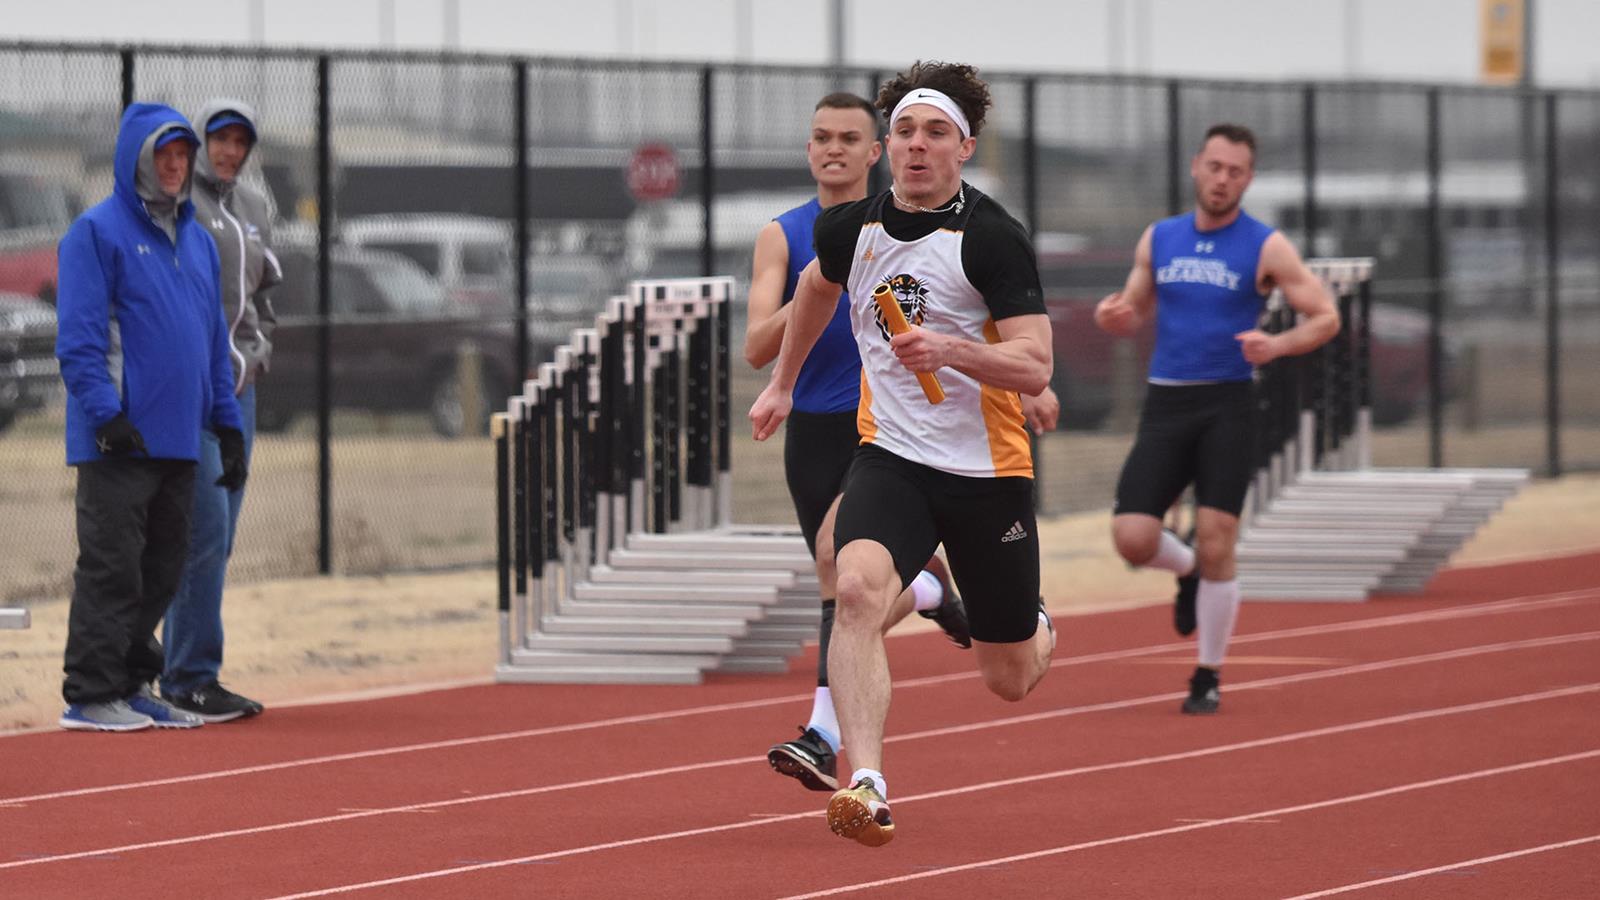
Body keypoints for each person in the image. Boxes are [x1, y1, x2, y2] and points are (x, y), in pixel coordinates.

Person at [749, 61, 1057, 847]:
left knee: (1009, 677)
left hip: (988, 471)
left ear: (966, 148)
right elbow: (818, 290)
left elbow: (1035, 366)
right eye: (907, 133)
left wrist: (952, 350)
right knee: (852, 587)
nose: (918, 148)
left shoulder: (992, 239)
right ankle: (867, 782)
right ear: (889, 146)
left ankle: (1029, 620)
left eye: (937, 134)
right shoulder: (851, 227)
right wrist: (782, 384)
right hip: (892, 456)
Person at [743, 92, 976, 795]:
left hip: (884, 424)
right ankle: (929, 588)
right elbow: (757, 346)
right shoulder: (784, 236)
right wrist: (827, 277)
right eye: (821, 137)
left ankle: (822, 735)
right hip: (810, 426)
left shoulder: (900, 227)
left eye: (849, 137)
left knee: (832, 559)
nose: (834, 149)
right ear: (809, 149)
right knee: (841, 589)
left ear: (875, 153)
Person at [1094, 123, 1339, 716]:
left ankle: (1207, 672)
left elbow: (1325, 316)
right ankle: (1186, 571)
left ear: (1247, 180)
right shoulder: (1161, 237)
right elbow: (1132, 302)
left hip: (1229, 403)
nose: (1223, 180)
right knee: (1132, 538)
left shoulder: (1265, 245)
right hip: (1167, 402)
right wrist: (1115, 316)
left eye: (1236, 172)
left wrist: (1277, 346)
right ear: (1197, 167)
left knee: (1218, 537)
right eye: (1215, 167)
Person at [55, 102, 247, 732]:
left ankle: (134, 682)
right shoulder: (95, 232)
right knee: (112, 567)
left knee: (162, 569)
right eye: (161, 154)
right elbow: (80, 341)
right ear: (136, 158)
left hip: (180, 442)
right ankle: (89, 693)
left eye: (180, 155)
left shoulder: (197, 241)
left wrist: (226, 422)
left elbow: (212, 340)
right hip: (117, 441)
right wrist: (106, 416)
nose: (173, 165)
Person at [159, 99, 280, 723]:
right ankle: (186, 676)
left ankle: (176, 666)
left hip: (241, 390)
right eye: (220, 139)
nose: (230, 151)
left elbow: (260, 291)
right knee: (201, 529)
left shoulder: (255, 207)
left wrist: (257, 351)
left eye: (241, 141)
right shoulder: (177, 201)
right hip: (189, 392)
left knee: (219, 535)